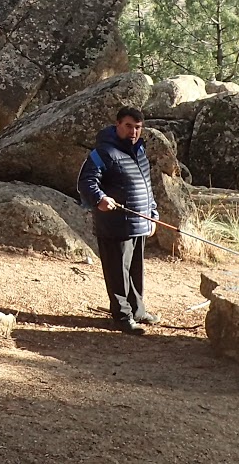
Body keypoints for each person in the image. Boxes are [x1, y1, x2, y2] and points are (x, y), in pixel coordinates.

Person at [77, 105, 160, 334]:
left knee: (135, 270)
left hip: (138, 223)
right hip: (114, 224)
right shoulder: (103, 152)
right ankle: (122, 317)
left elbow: (146, 187)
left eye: (138, 127)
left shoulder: (140, 151)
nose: (133, 132)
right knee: (118, 272)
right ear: (118, 125)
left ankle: (138, 309)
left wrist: (152, 213)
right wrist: (100, 198)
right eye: (129, 126)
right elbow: (86, 182)